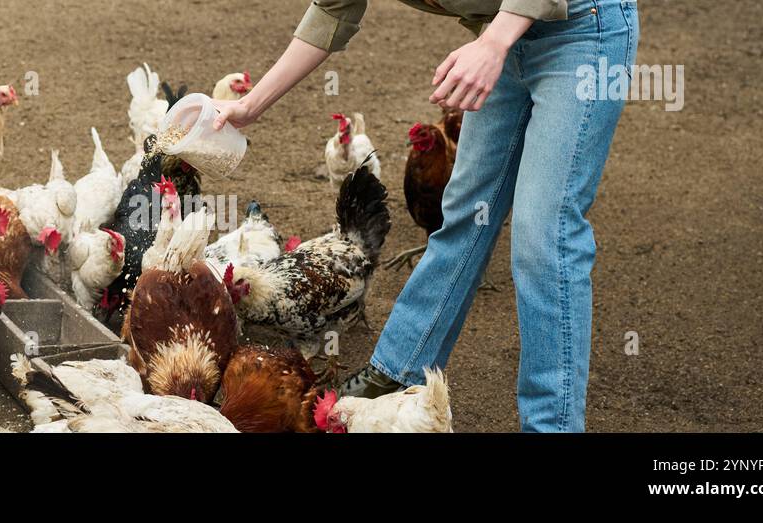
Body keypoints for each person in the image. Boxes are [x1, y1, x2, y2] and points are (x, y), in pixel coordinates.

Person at [213, 0, 640, 432]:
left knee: (544, 237)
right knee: (463, 218)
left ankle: (553, 425)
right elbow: (331, 14)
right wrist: (251, 105)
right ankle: (397, 372)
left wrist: (494, 41)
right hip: (506, 34)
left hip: (583, 30)